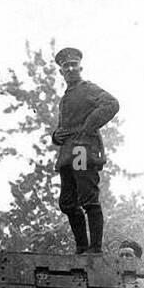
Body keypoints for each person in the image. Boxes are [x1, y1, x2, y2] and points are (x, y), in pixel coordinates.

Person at [51, 46, 119, 254]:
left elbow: (111, 104)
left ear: (80, 67)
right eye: (66, 66)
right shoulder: (66, 96)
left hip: (81, 151)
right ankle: (81, 247)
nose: (70, 69)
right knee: (68, 202)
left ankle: (94, 248)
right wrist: (56, 136)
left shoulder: (88, 88)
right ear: (61, 72)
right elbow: (64, 125)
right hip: (67, 154)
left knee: (87, 196)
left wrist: (88, 127)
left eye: (74, 65)